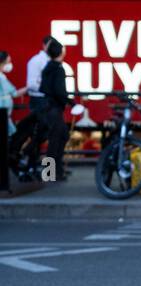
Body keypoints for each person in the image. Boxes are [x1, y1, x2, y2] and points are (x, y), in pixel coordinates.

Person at [37, 40, 70, 181]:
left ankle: (55, 170)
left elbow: (43, 87)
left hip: (47, 107)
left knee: (60, 137)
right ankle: (50, 173)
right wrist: (71, 103)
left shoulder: (48, 67)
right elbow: (60, 91)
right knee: (56, 140)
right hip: (55, 108)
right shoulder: (58, 69)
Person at [0, 50, 26, 194]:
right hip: (3, 118)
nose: (10, 65)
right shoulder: (1, 78)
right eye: (8, 62)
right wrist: (30, 87)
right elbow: (15, 93)